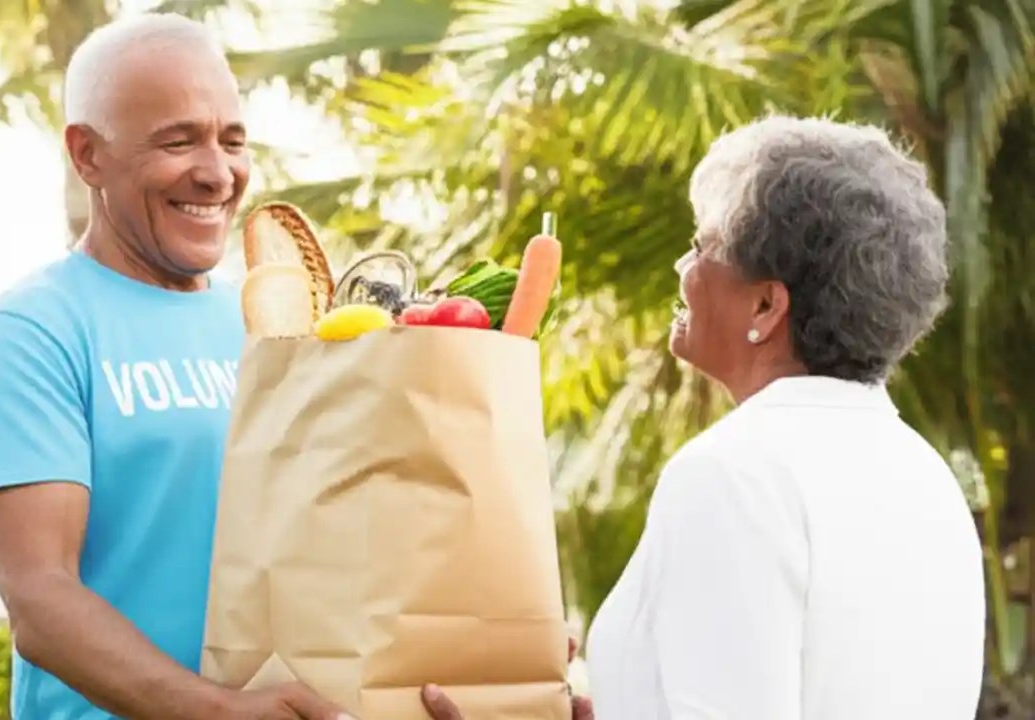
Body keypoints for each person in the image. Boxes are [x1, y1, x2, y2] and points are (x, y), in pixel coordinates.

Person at [423, 116, 987, 720]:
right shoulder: (927, 476)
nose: (681, 268)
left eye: (702, 247)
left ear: (766, 305)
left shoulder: (733, 471)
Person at [0, 13, 352, 720]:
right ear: (87, 155)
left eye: (232, 140)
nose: (217, 173)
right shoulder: (35, 330)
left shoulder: (274, 326)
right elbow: (40, 598)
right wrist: (220, 712)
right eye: (177, 140)